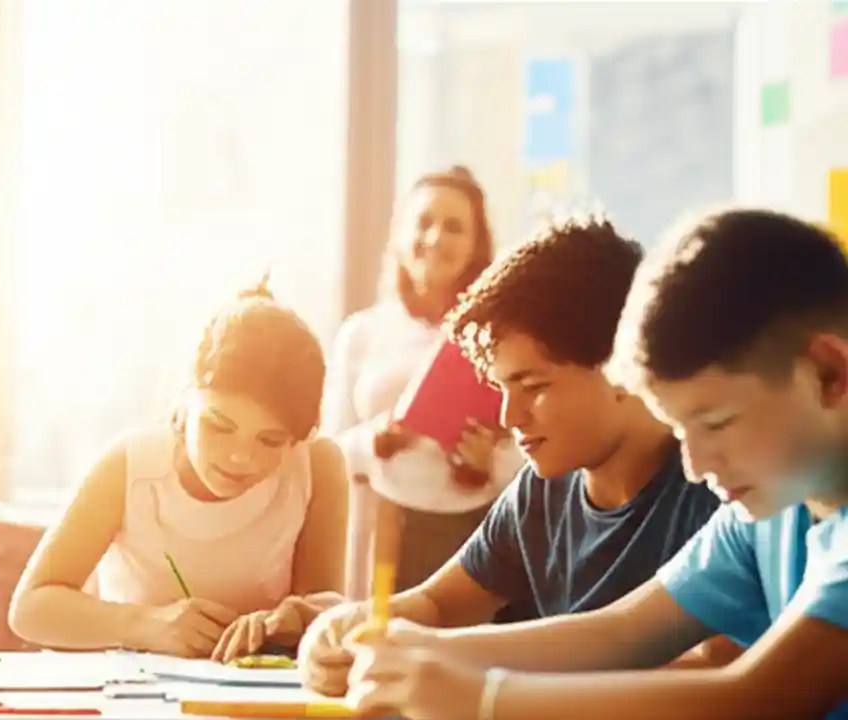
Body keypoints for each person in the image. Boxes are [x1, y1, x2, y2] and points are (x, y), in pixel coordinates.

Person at [340, 209, 848, 720]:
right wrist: (415, 652)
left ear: (829, 373)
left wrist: (485, 700)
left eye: (715, 423)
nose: (694, 466)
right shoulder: (768, 503)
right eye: (679, 428)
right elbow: (622, 631)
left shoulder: (769, 488)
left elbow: (764, 698)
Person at [301, 217, 727, 696]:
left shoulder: (718, 485)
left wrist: (476, 677)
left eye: (535, 387)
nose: (509, 416)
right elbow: (440, 605)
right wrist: (347, 627)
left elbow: (713, 669)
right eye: (500, 388)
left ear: (623, 366)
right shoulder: (542, 489)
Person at [10, 280, 348, 661]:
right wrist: (143, 625)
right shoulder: (130, 466)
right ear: (186, 398)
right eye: (219, 426)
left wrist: (297, 618)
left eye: (270, 441)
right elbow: (30, 609)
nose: (241, 457)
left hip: (258, 696)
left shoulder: (317, 464)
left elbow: (328, 605)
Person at [323, 165, 520, 594]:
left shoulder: (499, 337)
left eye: (454, 227)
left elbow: (535, 452)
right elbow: (327, 450)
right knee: (373, 643)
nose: (435, 239)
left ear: (476, 245)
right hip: (380, 522)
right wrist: (373, 439)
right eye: (424, 222)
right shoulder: (363, 332)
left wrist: (490, 462)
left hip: (472, 530)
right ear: (399, 235)